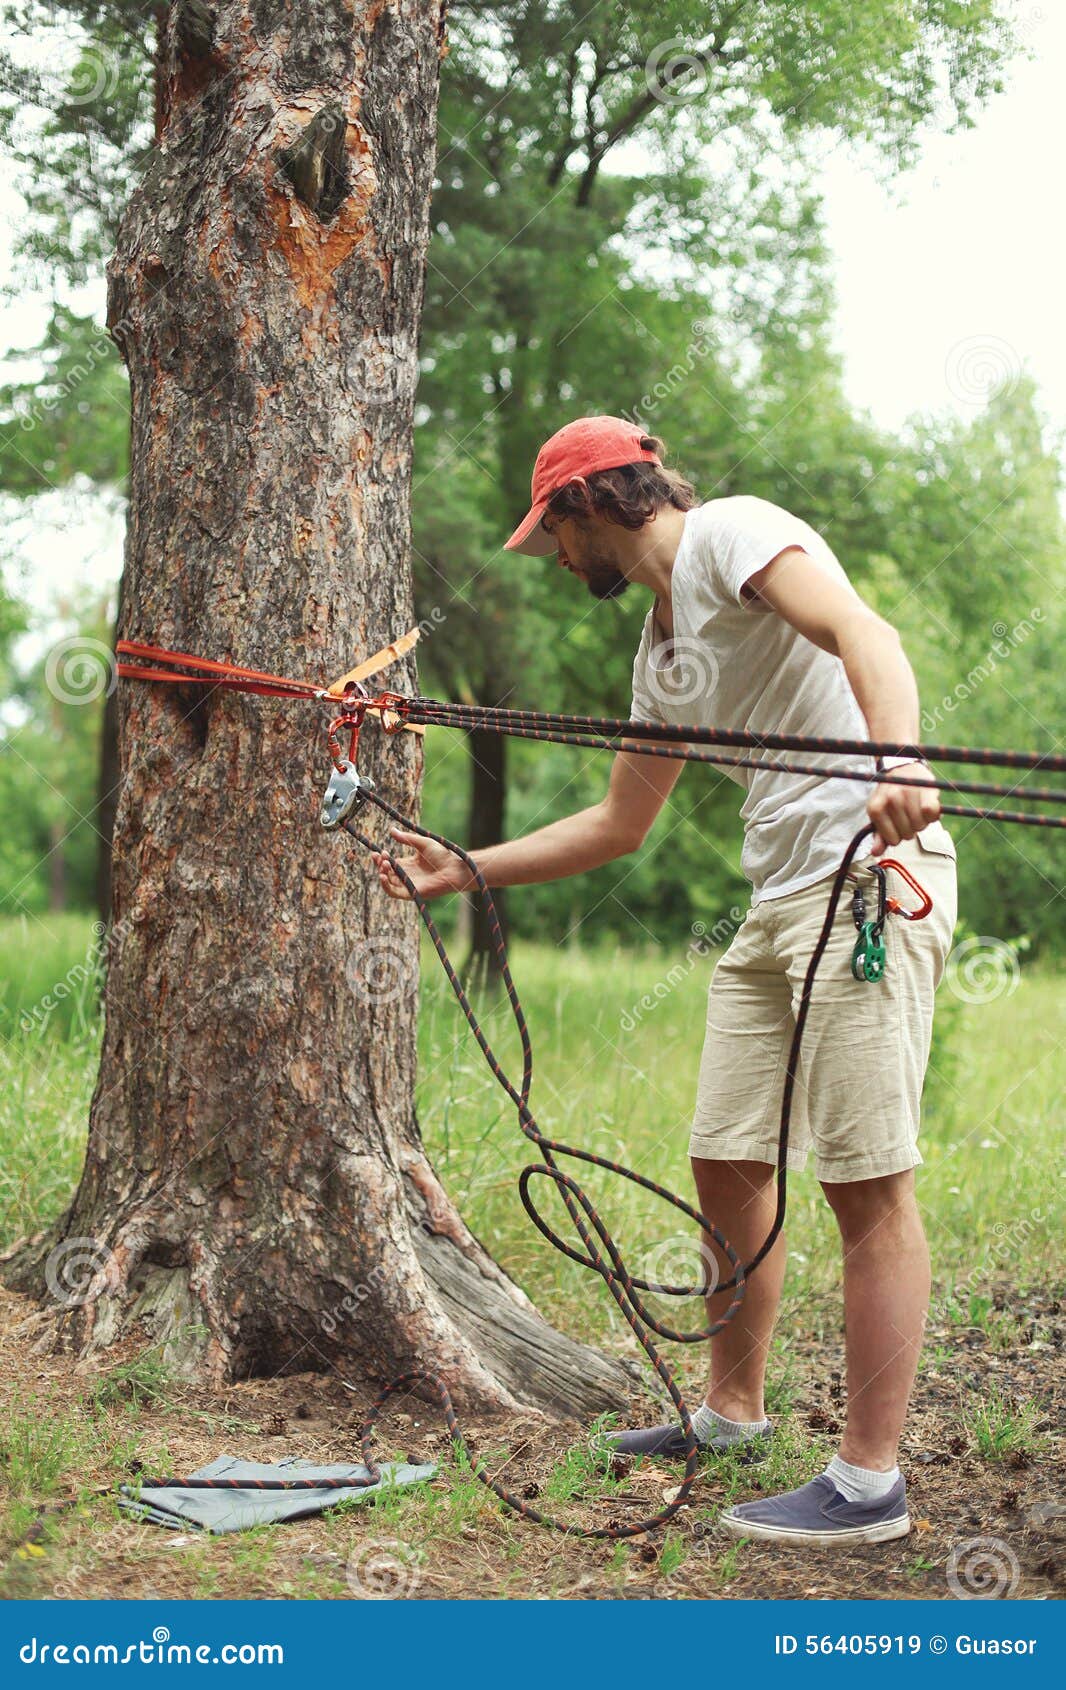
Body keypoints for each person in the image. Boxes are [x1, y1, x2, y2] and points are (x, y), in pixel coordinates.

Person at [374, 416, 958, 1548]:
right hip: (779, 893)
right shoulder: (660, 646)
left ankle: (868, 1482)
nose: (551, 560)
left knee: (864, 1179)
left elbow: (861, 630)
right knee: (725, 1151)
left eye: (551, 534)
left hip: (867, 875)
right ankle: (731, 1415)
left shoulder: (732, 534)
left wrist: (898, 760)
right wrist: (467, 869)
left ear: (590, 501)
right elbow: (619, 821)